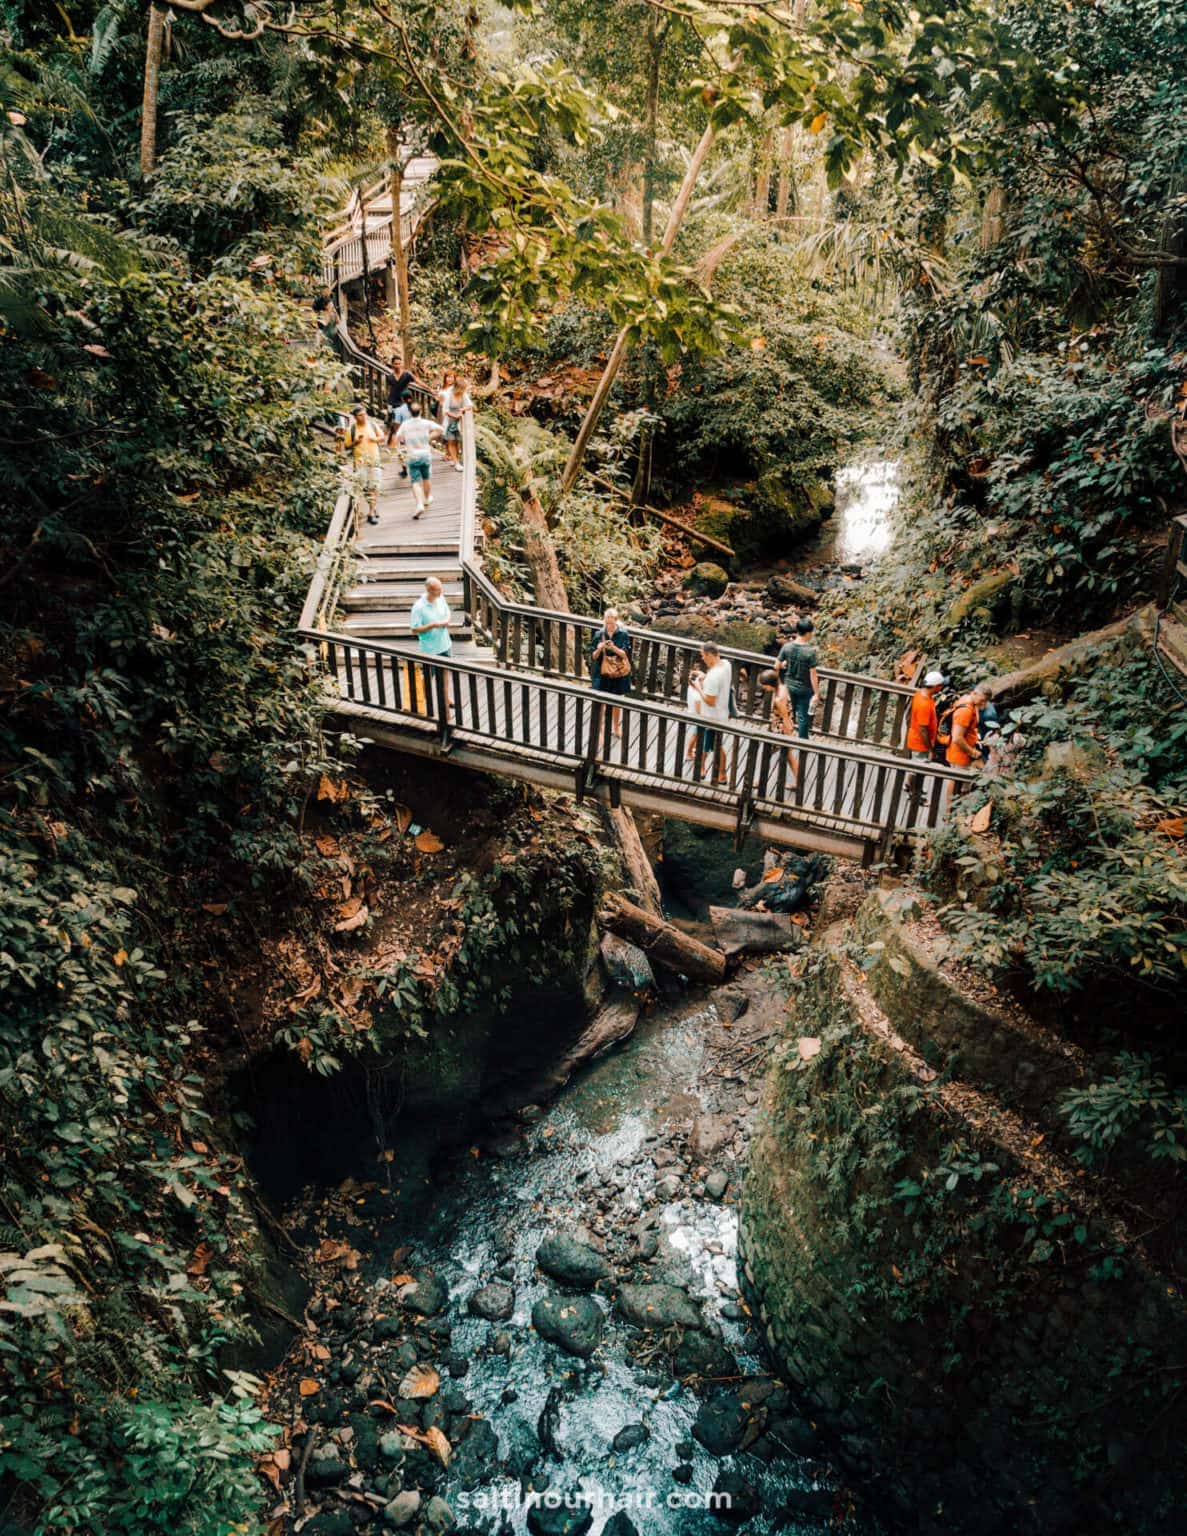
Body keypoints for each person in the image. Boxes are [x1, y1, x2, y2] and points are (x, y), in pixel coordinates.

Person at [409, 576, 453, 720]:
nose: (440, 592)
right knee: (429, 676)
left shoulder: (441, 598)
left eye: (441, 589)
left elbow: (447, 613)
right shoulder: (419, 607)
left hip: (444, 643)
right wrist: (432, 625)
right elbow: (414, 629)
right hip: (430, 647)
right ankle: (420, 699)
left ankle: (446, 697)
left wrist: (446, 621)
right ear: (429, 590)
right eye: (437, 590)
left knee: (445, 673)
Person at [688, 641, 732, 783]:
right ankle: (719, 773)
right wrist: (704, 676)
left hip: (710, 716)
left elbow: (710, 700)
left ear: (709, 655)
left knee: (708, 744)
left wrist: (697, 687)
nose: (702, 658)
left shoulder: (713, 676)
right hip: (722, 713)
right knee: (715, 744)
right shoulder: (726, 664)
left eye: (703, 655)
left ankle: (715, 772)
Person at [394, 400, 444, 518]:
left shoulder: (405, 424)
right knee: (426, 478)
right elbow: (440, 429)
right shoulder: (426, 423)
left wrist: (405, 440)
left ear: (410, 413)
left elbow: (398, 437)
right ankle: (426, 498)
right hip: (425, 454)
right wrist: (428, 437)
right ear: (420, 411)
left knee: (415, 482)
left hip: (413, 456)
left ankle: (419, 504)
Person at [590, 607, 633, 740]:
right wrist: (599, 648)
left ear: (616, 620)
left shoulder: (623, 634)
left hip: (618, 672)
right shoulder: (599, 634)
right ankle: (600, 730)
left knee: (617, 701)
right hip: (602, 672)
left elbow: (625, 654)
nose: (609, 624)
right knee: (601, 702)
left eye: (611, 622)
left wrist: (613, 647)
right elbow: (593, 656)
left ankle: (616, 727)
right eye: (607, 622)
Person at [342, 403, 385, 529]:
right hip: (360, 462)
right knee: (365, 487)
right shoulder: (351, 430)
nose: (364, 417)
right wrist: (356, 442)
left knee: (374, 486)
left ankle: (371, 512)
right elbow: (347, 446)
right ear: (355, 417)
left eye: (365, 414)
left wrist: (376, 440)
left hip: (374, 460)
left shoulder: (372, 425)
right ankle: (373, 506)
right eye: (360, 415)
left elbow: (382, 437)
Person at [776, 617, 820, 740]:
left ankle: (783, 738)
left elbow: (776, 665)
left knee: (787, 714)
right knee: (803, 718)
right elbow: (813, 674)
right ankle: (802, 743)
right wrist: (816, 693)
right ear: (808, 633)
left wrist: (784, 665)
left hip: (788, 685)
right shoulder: (810, 652)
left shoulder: (787, 647)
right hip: (804, 689)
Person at [759, 668, 798, 787]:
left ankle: (761, 781)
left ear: (770, 685)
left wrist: (788, 735)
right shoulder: (783, 688)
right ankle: (799, 782)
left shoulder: (778, 700)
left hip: (781, 731)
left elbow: (785, 718)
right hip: (783, 727)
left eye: (764, 686)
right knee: (789, 757)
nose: (764, 689)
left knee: (766, 754)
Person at [946, 681, 993, 769]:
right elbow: (957, 738)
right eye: (982, 700)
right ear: (974, 693)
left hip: (960, 750)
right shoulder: (965, 711)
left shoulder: (966, 698)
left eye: (986, 701)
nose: (983, 704)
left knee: (955, 780)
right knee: (958, 780)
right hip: (959, 754)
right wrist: (972, 752)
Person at [438, 373, 473, 472]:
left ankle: (456, 459)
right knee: (451, 441)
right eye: (462, 389)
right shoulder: (448, 395)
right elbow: (445, 411)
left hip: (459, 422)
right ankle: (456, 462)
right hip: (450, 421)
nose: (463, 391)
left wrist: (463, 409)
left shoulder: (463, 394)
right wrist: (455, 415)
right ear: (457, 388)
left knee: (457, 441)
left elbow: (470, 405)